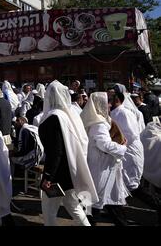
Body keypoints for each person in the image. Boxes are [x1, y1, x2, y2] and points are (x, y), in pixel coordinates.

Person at [38, 81, 98, 226]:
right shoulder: (70, 115)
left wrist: (47, 176)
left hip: (56, 175)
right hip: (71, 172)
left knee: (49, 212)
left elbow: (55, 152)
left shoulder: (53, 118)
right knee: (74, 206)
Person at [81, 93, 129, 226]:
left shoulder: (96, 121)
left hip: (102, 166)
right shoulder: (99, 123)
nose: (109, 105)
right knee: (97, 204)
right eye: (107, 102)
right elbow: (104, 145)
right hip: (102, 168)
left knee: (108, 203)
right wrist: (122, 148)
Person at [110, 92, 144, 192]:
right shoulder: (115, 112)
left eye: (110, 99)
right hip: (122, 148)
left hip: (129, 148)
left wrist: (119, 144)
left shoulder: (124, 113)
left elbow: (131, 134)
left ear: (116, 100)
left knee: (130, 175)